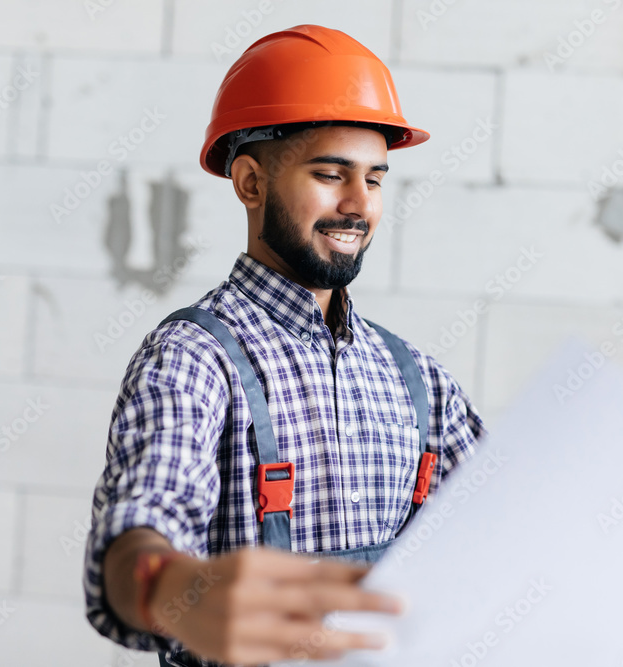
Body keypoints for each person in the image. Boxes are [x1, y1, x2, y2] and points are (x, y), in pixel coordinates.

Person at [82, 24, 486, 667]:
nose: (359, 205)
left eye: (375, 179)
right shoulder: (193, 360)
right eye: (331, 174)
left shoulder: (418, 379)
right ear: (250, 183)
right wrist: (170, 587)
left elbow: (511, 526)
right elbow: (134, 536)